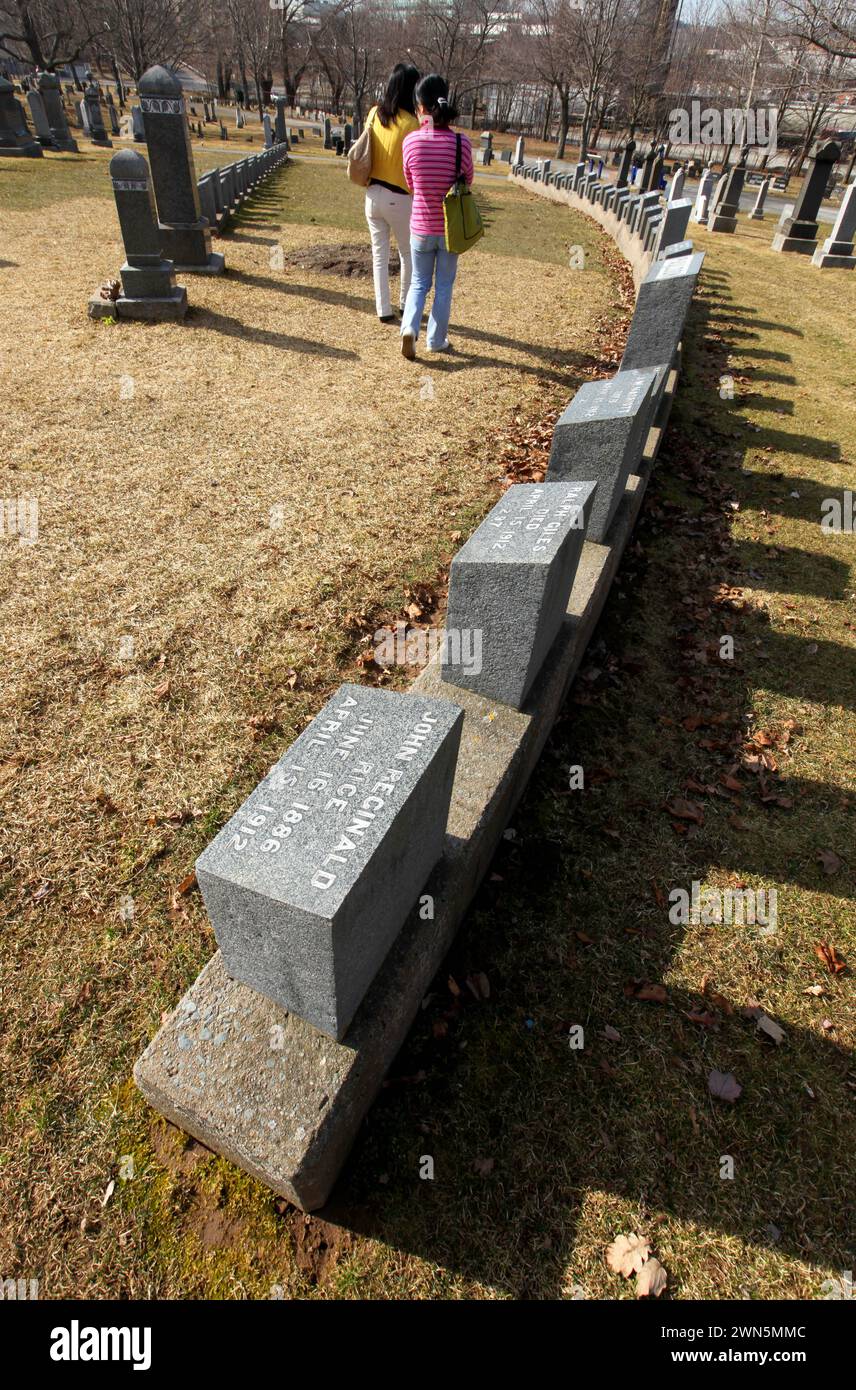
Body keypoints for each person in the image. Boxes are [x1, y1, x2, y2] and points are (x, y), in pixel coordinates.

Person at [400, 74, 474, 359]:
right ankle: (436, 340)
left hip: (420, 226)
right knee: (444, 284)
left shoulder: (411, 142)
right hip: (450, 228)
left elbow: (410, 183)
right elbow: (468, 179)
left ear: (420, 108)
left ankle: (409, 327)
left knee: (419, 282)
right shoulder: (461, 143)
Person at [363, 64, 420, 323]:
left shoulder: (375, 114)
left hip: (372, 193)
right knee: (407, 254)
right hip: (400, 196)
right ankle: (406, 303)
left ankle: (382, 308)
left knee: (379, 254)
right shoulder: (412, 124)